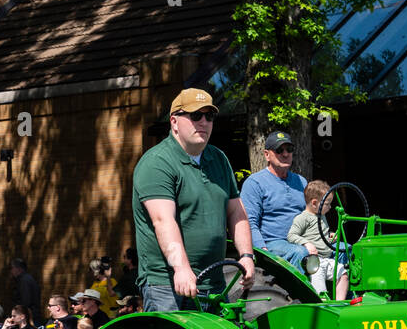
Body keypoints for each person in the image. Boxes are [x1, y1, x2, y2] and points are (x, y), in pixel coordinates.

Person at [132, 88, 255, 312]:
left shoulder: (218, 158)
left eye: (209, 116)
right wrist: (181, 268)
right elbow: (163, 221)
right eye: (195, 115)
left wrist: (246, 256)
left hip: (214, 282)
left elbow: (237, 213)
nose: (204, 122)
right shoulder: (157, 162)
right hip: (167, 285)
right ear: (174, 122)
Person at [241, 130, 311, 271]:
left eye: (289, 149)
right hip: (273, 242)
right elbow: (249, 222)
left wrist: (324, 234)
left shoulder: (301, 181)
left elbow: (311, 215)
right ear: (267, 154)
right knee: (300, 253)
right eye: (279, 150)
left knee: (341, 248)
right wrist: (262, 249)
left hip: (302, 239)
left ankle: (348, 294)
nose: (285, 154)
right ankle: (300, 294)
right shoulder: (254, 183)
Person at [288, 180, 350, 299]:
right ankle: (322, 305)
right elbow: (291, 235)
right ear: (315, 203)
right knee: (320, 289)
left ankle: (340, 303)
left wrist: (330, 236)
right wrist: (307, 243)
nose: (330, 207)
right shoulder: (303, 218)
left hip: (327, 259)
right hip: (315, 262)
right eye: (327, 204)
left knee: (344, 274)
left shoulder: (322, 216)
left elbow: (320, 234)